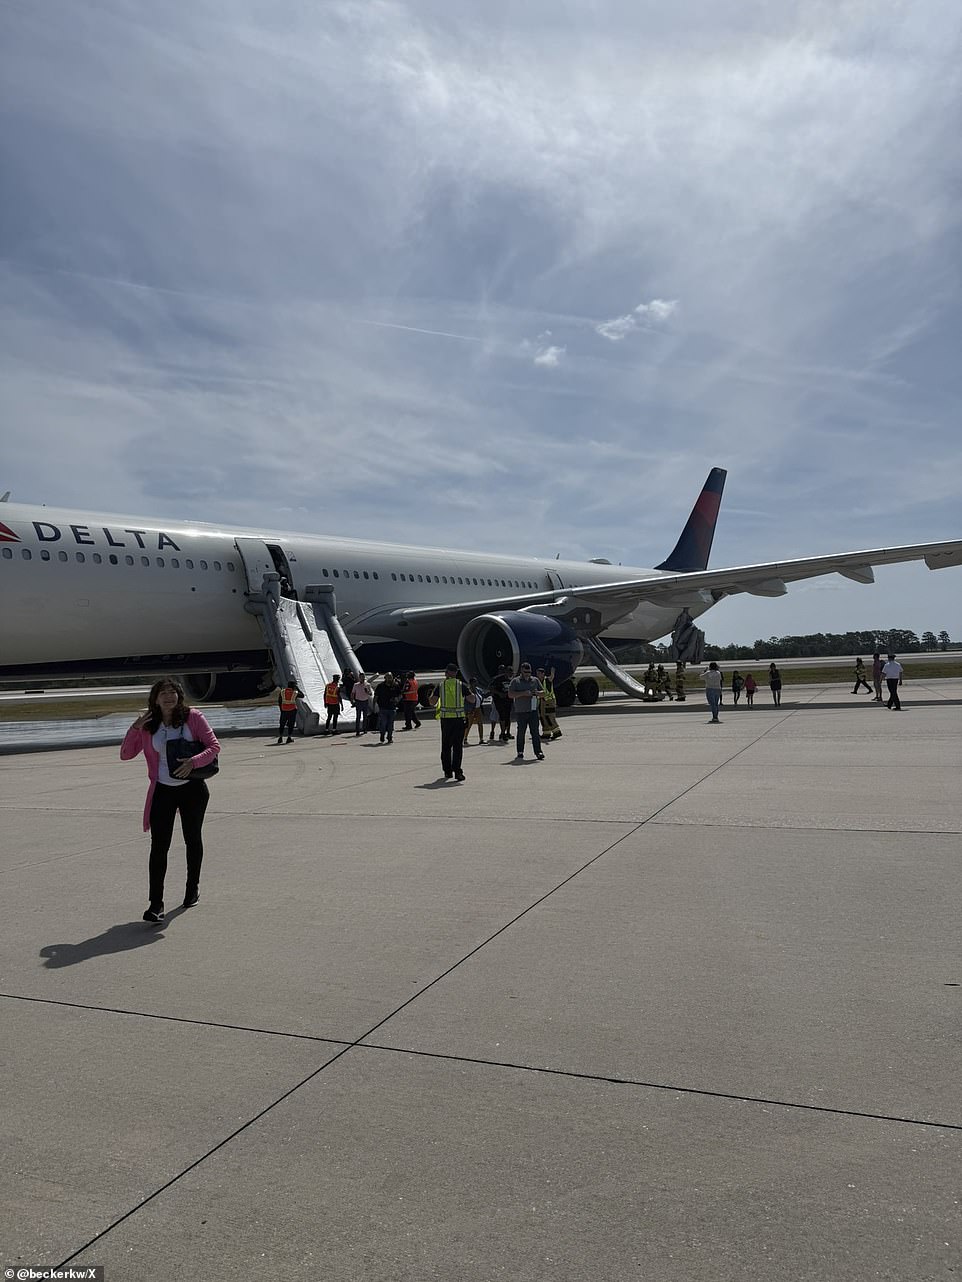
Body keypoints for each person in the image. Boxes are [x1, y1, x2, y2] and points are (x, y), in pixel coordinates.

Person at [121, 677, 220, 923]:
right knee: (159, 847)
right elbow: (125, 754)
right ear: (155, 699)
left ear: (179, 696)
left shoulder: (193, 717)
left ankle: (192, 888)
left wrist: (193, 762)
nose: (168, 697)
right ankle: (156, 904)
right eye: (163, 693)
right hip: (162, 791)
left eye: (172, 692)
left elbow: (214, 747)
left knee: (192, 839)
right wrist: (135, 728)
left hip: (192, 789)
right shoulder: (148, 725)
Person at [436, 662, 466, 780]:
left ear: (446, 673)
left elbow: (432, 701)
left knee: (446, 746)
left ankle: (447, 771)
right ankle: (458, 771)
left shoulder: (441, 686)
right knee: (458, 747)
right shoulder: (461, 685)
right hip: (459, 719)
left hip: (446, 720)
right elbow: (472, 699)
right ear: (456, 673)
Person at [509, 662, 545, 759]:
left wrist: (537, 693)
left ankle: (538, 752)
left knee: (535, 732)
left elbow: (543, 693)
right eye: (526, 672)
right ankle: (520, 751)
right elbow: (510, 694)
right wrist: (523, 693)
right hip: (521, 711)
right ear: (521, 671)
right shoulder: (515, 681)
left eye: (529, 672)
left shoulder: (535, 680)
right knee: (521, 732)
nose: (528, 674)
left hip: (533, 711)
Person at [488, 663, 514, 742]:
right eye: (510, 673)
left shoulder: (511, 680)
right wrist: (499, 693)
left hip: (508, 700)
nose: (510, 675)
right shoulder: (497, 679)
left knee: (507, 716)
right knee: (501, 716)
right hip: (499, 700)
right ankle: (502, 733)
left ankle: (507, 732)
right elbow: (490, 688)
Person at [374, 672, 401, 742]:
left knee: (390, 724)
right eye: (388, 677)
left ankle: (389, 737)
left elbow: (400, 695)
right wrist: (374, 706)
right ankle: (382, 735)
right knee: (383, 723)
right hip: (383, 708)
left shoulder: (395, 685)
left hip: (392, 708)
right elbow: (376, 696)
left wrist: (397, 700)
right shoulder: (380, 686)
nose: (389, 679)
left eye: (391, 677)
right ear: (385, 678)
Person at [538, 666, 562, 740]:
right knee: (542, 717)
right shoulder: (538, 681)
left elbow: (552, 677)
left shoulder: (547, 680)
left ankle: (556, 731)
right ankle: (546, 732)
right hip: (542, 701)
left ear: (543, 674)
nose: (538, 675)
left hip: (549, 701)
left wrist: (552, 672)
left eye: (539, 673)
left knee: (549, 717)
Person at [276, 678, 302, 743]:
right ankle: (289, 737)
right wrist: (297, 688)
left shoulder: (282, 691)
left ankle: (280, 737)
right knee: (291, 724)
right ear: (293, 686)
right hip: (292, 710)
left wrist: (281, 709)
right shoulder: (295, 692)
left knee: (282, 724)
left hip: (284, 709)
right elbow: (302, 695)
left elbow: (279, 701)